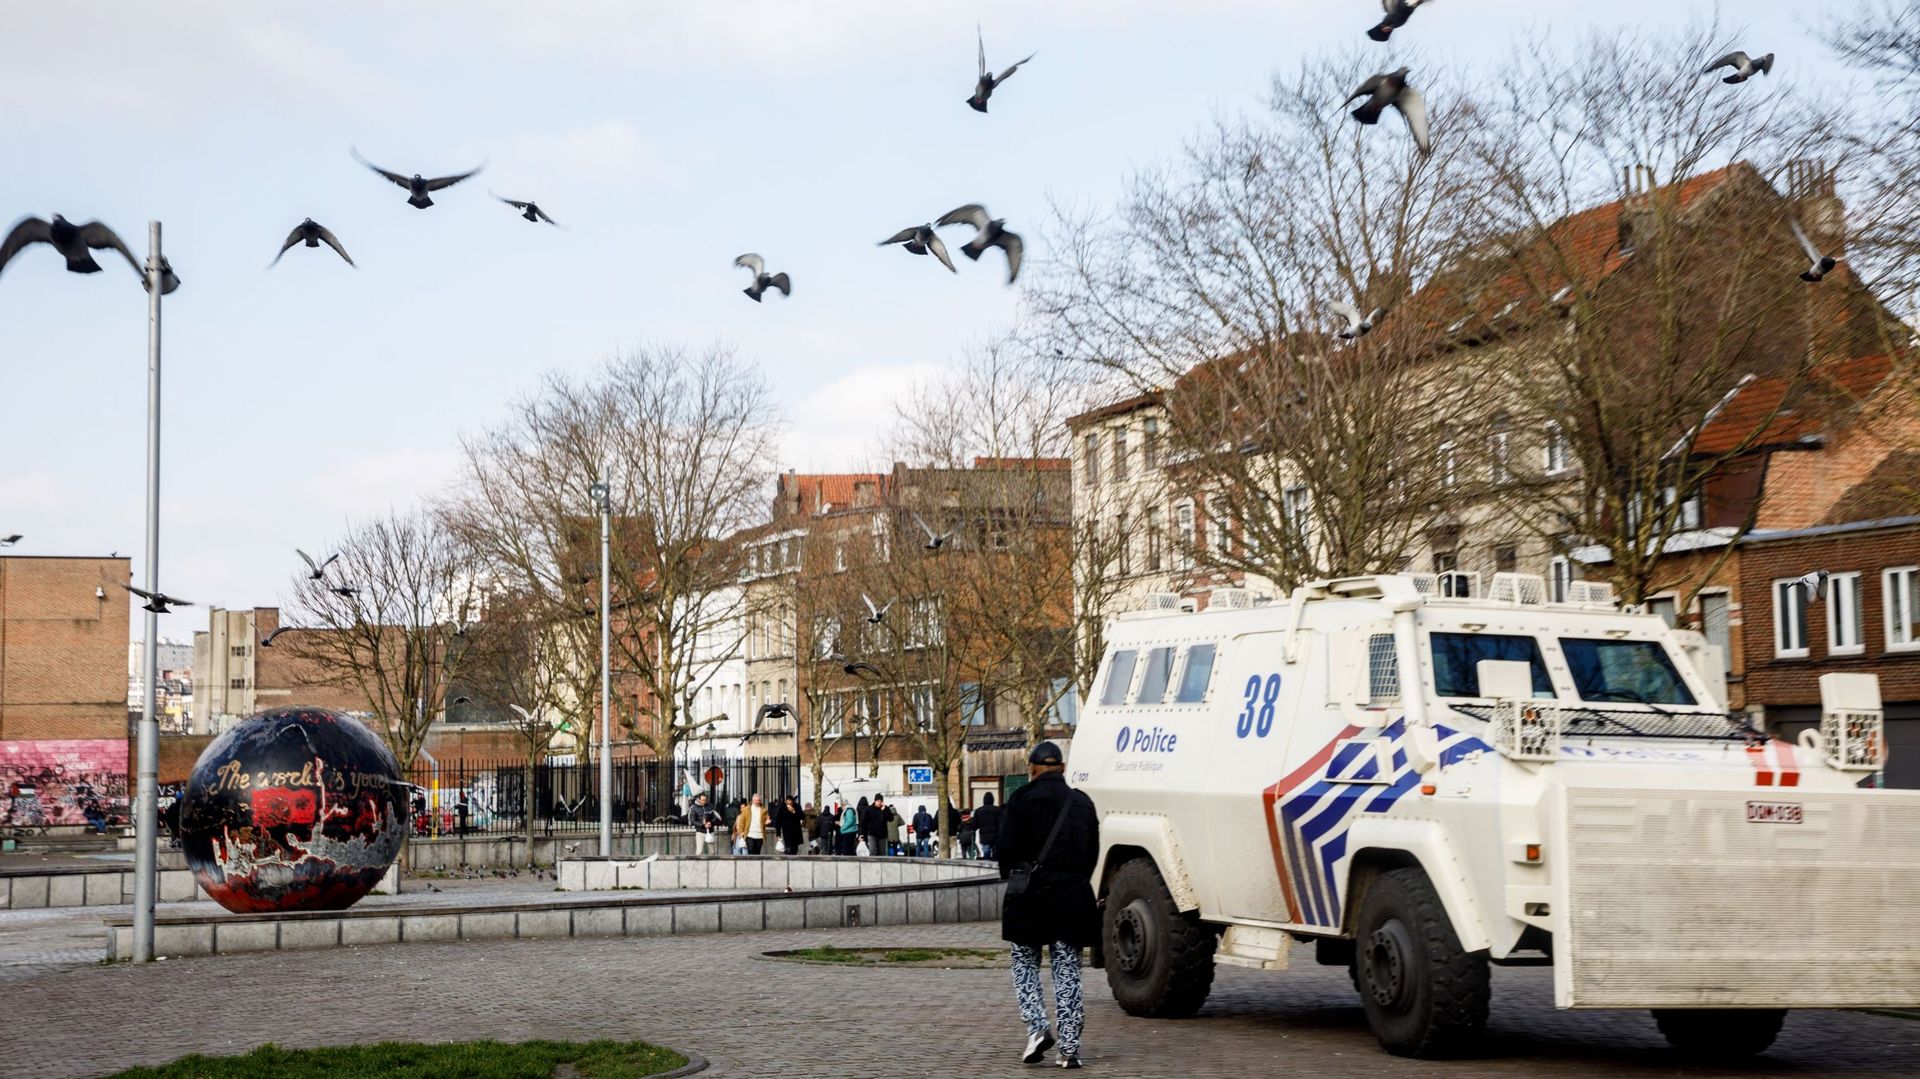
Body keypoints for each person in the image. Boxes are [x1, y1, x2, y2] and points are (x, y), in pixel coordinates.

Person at [998, 741, 1099, 1069]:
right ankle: (1069, 1047)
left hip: (1030, 895)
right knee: (1067, 966)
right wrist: (1074, 879)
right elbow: (1092, 853)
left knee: (1024, 960)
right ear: (1063, 769)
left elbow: (1006, 851)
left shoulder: (1020, 800)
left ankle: (1037, 1026)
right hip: (1070, 895)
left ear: (1032, 769)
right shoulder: (1082, 803)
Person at [974, 791, 1001, 859]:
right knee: (996, 852)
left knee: (986, 852)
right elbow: (1001, 822)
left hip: (984, 835)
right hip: (996, 835)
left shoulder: (978, 811)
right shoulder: (997, 810)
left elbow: (975, 824)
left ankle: (986, 864)